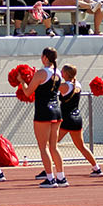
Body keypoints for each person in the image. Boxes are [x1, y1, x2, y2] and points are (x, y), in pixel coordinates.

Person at [29, 47, 67, 187]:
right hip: (56, 110)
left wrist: (21, 81)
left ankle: (50, 178)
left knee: (43, 146)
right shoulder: (58, 72)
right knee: (53, 147)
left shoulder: (41, 73)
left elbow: (28, 92)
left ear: (45, 57)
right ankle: (61, 177)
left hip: (43, 111)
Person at [57, 64, 101, 176]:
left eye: (62, 72)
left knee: (50, 145)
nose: (61, 73)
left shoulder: (65, 86)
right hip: (77, 118)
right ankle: (97, 168)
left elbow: (51, 86)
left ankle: (49, 171)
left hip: (67, 119)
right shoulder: (77, 84)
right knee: (81, 146)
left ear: (66, 74)